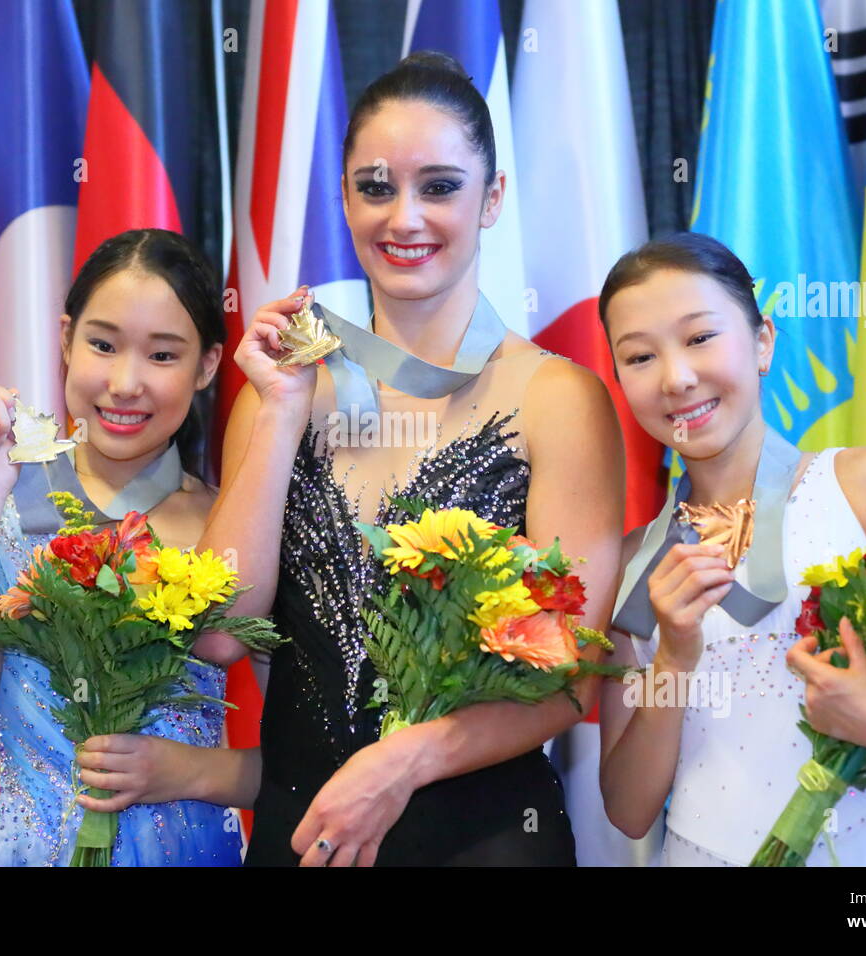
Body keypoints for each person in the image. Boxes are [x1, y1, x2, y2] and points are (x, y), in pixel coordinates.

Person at [185, 50, 626, 867]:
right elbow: (217, 635)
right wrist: (282, 415)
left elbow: (570, 679)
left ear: (492, 198)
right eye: (377, 187)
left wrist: (398, 764)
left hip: (487, 839)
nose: (405, 217)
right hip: (306, 834)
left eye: (440, 186)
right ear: (345, 198)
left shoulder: (557, 399)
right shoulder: (278, 392)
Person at [595, 232, 866, 866]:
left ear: (762, 341)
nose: (676, 377)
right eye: (640, 357)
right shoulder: (632, 563)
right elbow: (627, 808)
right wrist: (673, 662)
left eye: (701, 338)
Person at [0, 228, 243, 865]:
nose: (124, 383)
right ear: (65, 338)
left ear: (207, 366)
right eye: (102, 344)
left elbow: (307, 755)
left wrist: (189, 772)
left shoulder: (227, 527)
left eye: (163, 356)